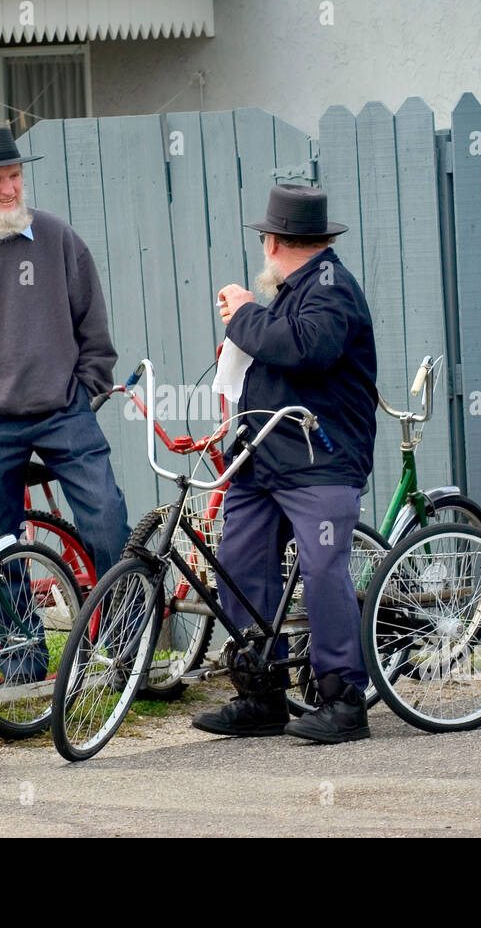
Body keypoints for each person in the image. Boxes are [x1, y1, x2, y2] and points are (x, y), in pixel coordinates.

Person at [193, 184, 379, 744]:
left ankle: (345, 700)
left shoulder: (330, 287)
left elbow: (307, 348)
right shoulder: (301, 287)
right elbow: (281, 353)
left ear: (273, 242)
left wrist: (244, 317)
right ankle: (261, 692)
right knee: (238, 559)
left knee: (323, 568)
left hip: (321, 458)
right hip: (267, 455)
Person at [0, 126, 130, 582]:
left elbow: (93, 327)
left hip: (64, 412)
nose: (9, 189)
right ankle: (22, 652)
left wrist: (84, 391)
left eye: (14, 175)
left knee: (109, 522)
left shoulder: (58, 238)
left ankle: (126, 642)